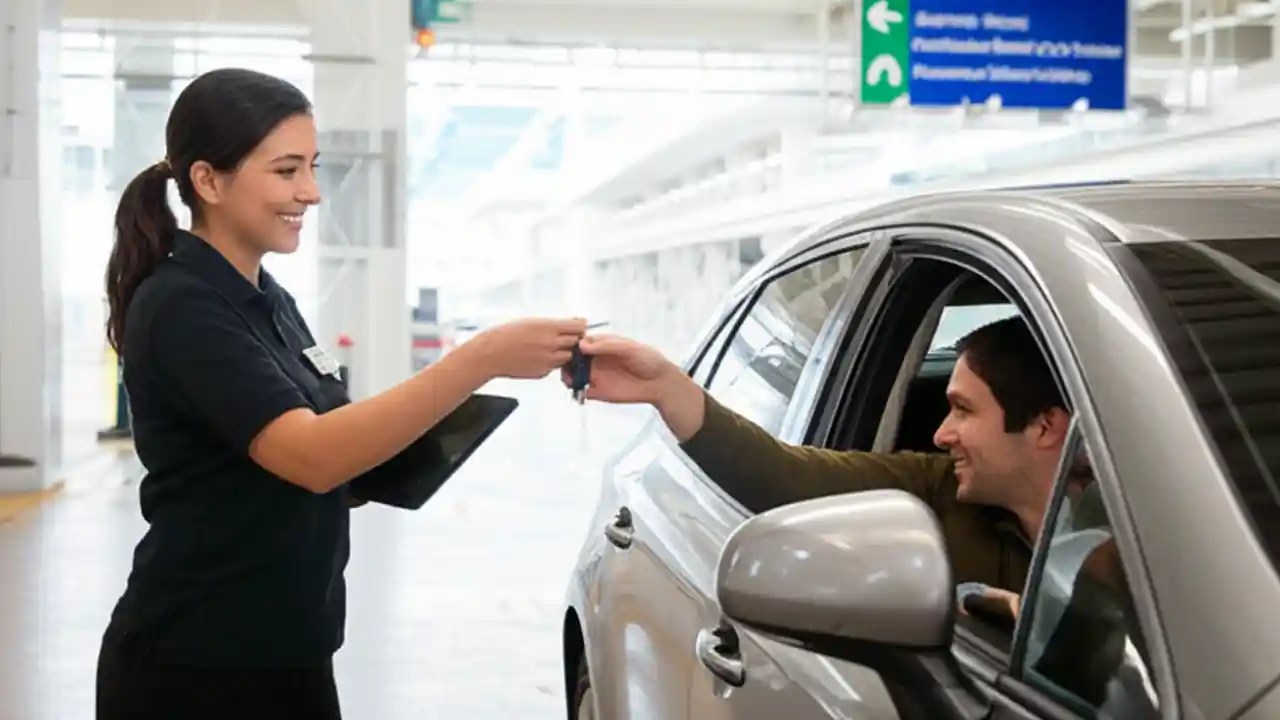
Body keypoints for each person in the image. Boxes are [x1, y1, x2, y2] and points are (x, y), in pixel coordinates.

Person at [96, 67, 586, 720]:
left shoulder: (266, 299)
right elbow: (313, 455)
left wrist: (416, 444)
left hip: (288, 648)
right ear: (208, 181)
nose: (312, 192)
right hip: (200, 664)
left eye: (313, 167)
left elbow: (332, 446)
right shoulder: (183, 306)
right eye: (287, 170)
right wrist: (481, 359)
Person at [570, 316, 1071, 604]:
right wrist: (664, 387)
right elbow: (782, 475)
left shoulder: (1135, 535)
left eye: (963, 410)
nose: (941, 434)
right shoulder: (932, 490)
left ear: (1044, 427)